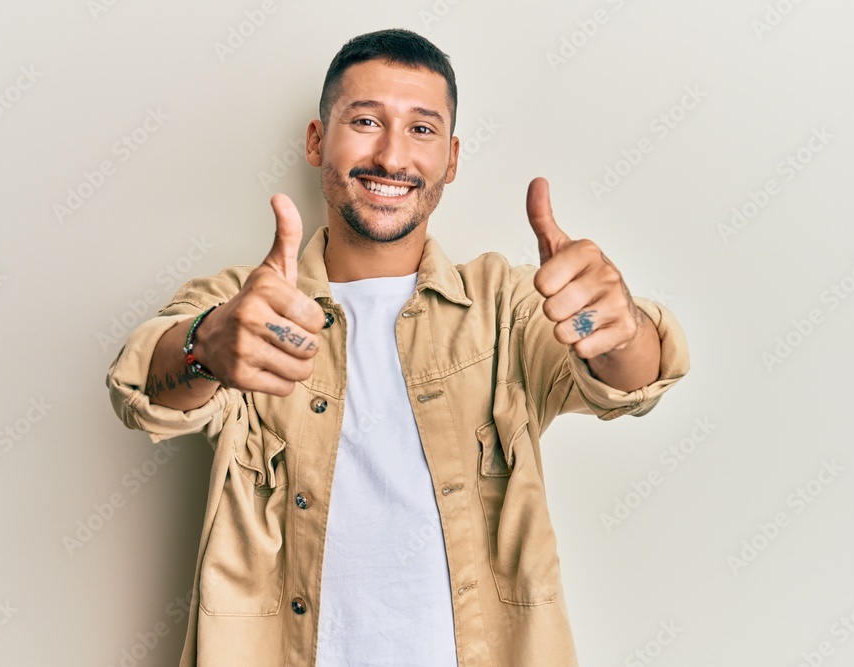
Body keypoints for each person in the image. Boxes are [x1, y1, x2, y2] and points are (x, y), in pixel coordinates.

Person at [106, 28, 689, 667]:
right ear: (316, 140)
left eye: (421, 129)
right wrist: (205, 349)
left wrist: (623, 330)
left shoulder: (505, 307)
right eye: (364, 120)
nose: (391, 156)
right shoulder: (249, 305)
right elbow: (142, 391)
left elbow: (630, 384)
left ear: (452, 157)